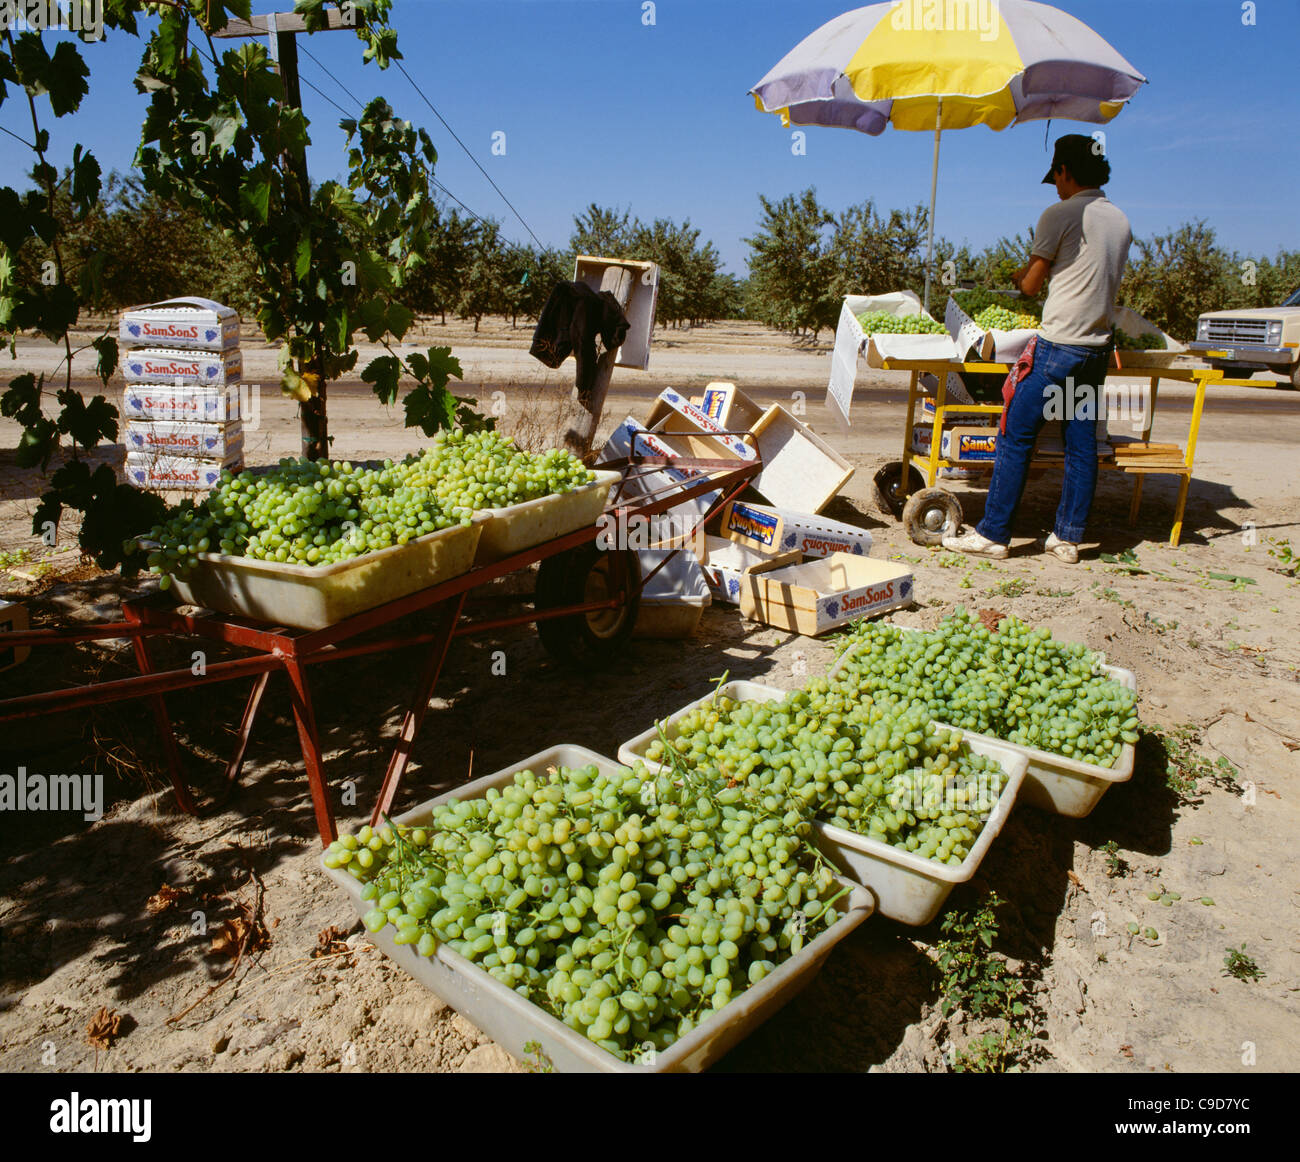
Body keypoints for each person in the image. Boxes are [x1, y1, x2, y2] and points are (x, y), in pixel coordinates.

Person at [943, 134, 1132, 564]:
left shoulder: (1060, 213)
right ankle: (1066, 539)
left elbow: (1030, 287)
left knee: (1015, 434)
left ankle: (993, 534)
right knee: (1081, 445)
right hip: (1095, 351)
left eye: (1058, 178)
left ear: (1065, 171)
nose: (1057, 187)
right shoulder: (1120, 220)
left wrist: (1018, 276)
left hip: (1057, 347)